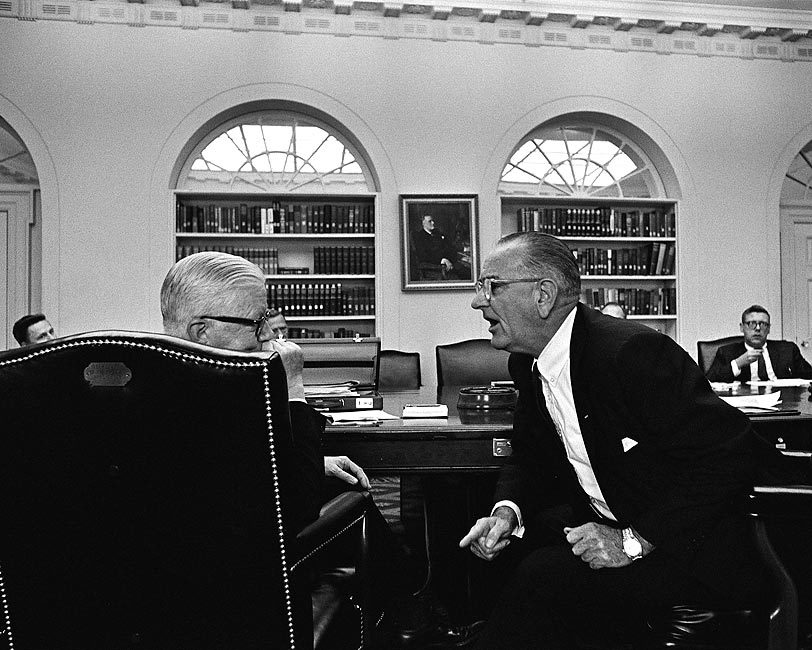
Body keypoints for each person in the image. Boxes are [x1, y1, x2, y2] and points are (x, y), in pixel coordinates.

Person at [458, 232, 810, 649]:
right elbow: (530, 457)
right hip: (607, 516)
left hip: (686, 542)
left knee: (542, 577)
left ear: (543, 295)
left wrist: (632, 540)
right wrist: (507, 513)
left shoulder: (633, 353)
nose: (478, 301)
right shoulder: (526, 362)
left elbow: (730, 454)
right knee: (481, 555)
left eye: (492, 286)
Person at [161, 251, 478, 649]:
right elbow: (295, 507)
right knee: (357, 499)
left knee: (337, 479)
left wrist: (317, 461)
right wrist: (292, 388)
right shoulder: (225, 382)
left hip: (170, 572)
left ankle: (407, 598)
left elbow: (222, 466)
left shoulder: (160, 384)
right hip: (240, 580)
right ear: (202, 331)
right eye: (257, 323)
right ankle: (407, 606)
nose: (269, 336)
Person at [706, 304, 812, 382]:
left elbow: (809, 375)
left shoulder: (788, 350)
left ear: (769, 329)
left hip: (784, 402)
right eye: (751, 324)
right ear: (742, 327)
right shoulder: (726, 352)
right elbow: (709, 381)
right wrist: (738, 363)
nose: (757, 329)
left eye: (763, 324)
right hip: (744, 402)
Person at [411, 215, 457, 281]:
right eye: (430, 221)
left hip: (449, 265)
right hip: (434, 269)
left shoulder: (437, 233)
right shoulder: (420, 237)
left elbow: (449, 247)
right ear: (423, 223)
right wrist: (442, 260)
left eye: (432, 221)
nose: (433, 223)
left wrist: (448, 259)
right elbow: (423, 256)